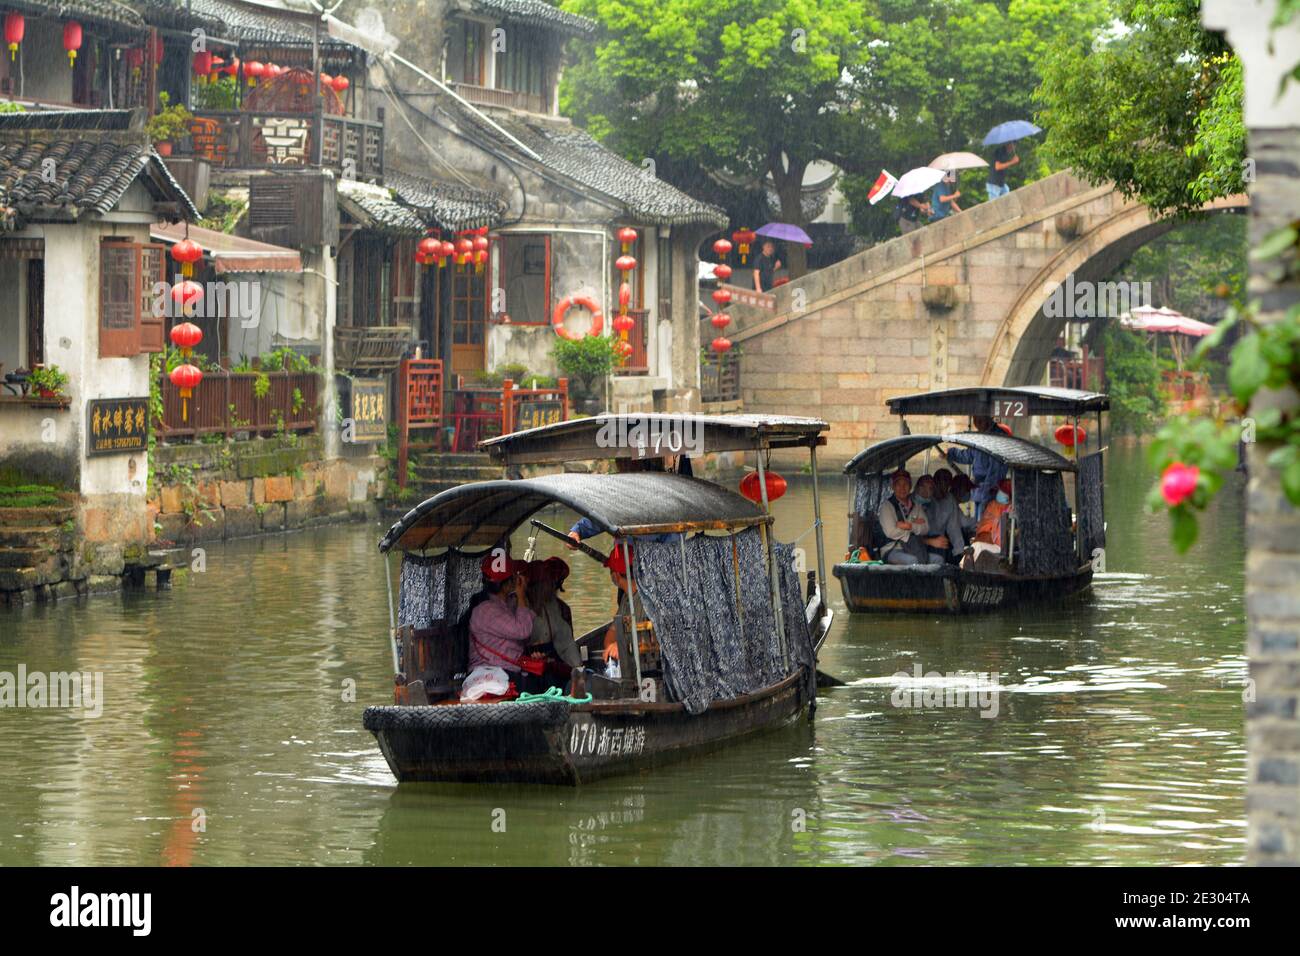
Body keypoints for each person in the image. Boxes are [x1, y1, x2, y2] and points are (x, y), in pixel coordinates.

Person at [467, 552, 542, 692]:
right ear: (507, 584)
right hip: (494, 671)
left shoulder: (506, 605)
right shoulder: (486, 611)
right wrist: (521, 596)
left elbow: (532, 622)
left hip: (509, 670)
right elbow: (522, 630)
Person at [877, 470, 947, 565]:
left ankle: (932, 580)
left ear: (910, 487)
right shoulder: (887, 506)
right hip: (892, 549)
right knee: (913, 561)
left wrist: (910, 526)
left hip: (915, 548)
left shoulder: (916, 506)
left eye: (905, 484)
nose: (902, 488)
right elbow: (891, 532)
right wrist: (915, 528)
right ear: (893, 487)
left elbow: (925, 528)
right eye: (898, 484)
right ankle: (919, 580)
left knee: (938, 559)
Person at [944, 416, 1008, 518]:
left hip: (991, 492)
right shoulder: (980, 436)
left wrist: (980, 493)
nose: (977, 422)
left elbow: (995, 474)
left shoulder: (998, 436)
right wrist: (950, 453)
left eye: (980, 416)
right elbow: (969, 455)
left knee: (984, 525)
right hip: (979, 490)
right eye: (975, 418)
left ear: (989, 416)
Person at [526, 557, 580, 674]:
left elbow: (567, 644)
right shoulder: (517, 605)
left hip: (551, 660)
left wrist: (577, 669)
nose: (550, 586)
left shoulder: (559, 608)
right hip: (527, 663)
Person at [916, 473, 966, 562]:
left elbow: (954, 527)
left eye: (946, 485)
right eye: (923, 487)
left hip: (936, 540)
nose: (925, 491)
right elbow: (907, 535)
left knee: (942, 543)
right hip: (914, 543)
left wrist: (959, 551)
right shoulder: (910, 503)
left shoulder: (948, 500)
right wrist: (929, 541)